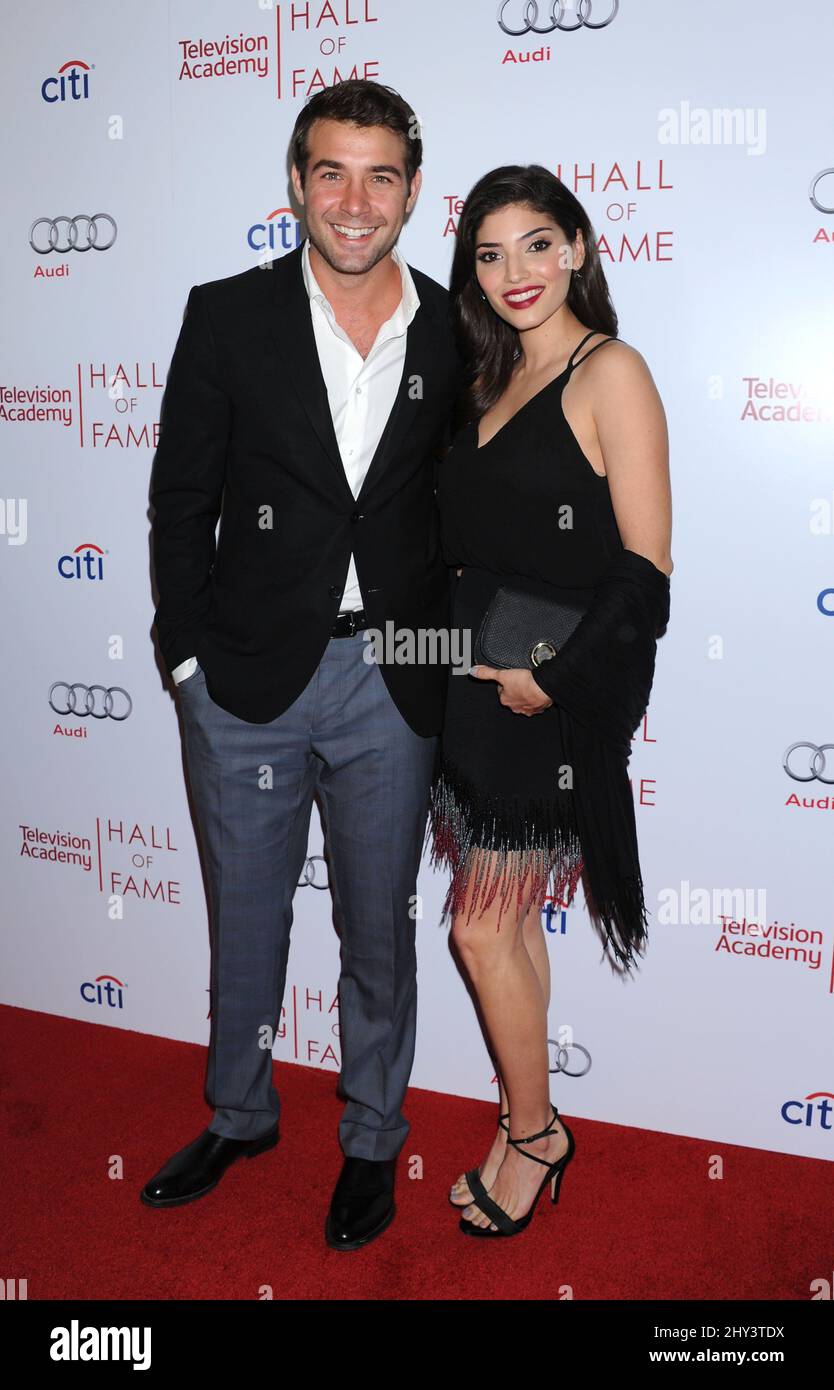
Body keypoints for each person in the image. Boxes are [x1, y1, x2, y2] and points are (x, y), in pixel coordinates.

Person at [144, 79, 462, 1251]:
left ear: (414, 192)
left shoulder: (452, 327)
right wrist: (185, 660)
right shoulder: (226, 316)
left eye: (381, 174)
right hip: (244, 681)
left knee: (377, 926)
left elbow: (462, 513)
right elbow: (181, 502)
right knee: (248, 921)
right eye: (332, 170)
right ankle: (240, 1114)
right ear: (295, 180)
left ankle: (374, 1135)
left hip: (392, 682)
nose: (355, 199)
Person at [428, 164, 673, 1237]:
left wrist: (553, 678)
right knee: (506, 927)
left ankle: (535, 1135)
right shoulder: (480, 381)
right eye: (489, 253)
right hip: (469, 686)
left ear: (575, 245)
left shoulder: (607, 369)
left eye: (535, 243)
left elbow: (644, 573)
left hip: (547, 698)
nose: (514, 271)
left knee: (480, 934)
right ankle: (526, 1117)